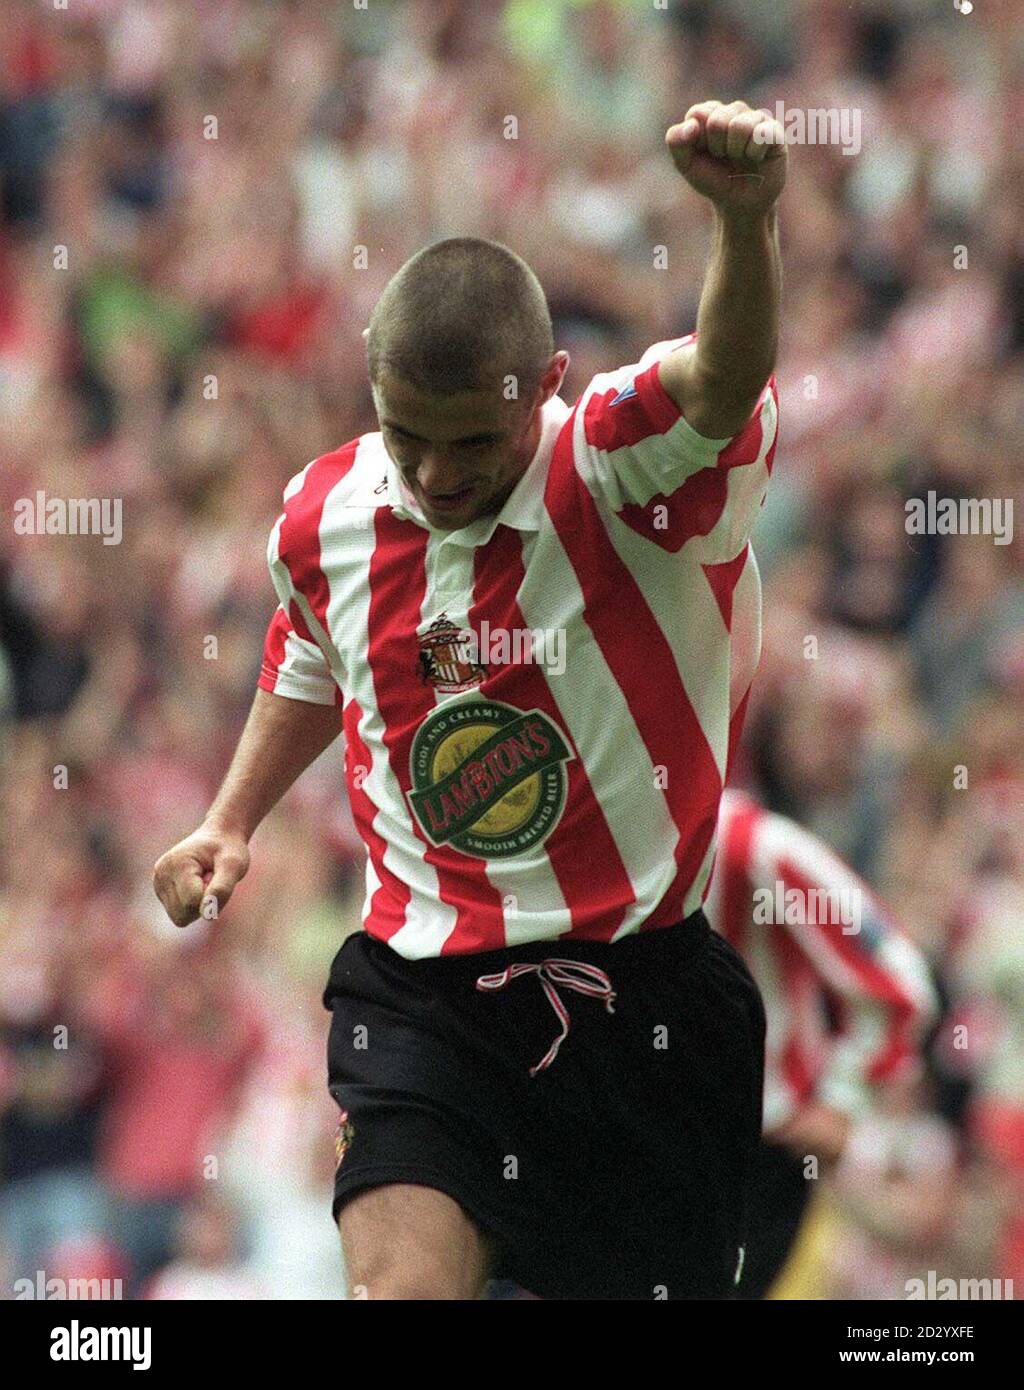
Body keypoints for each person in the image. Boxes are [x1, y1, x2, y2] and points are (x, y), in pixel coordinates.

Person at [154, 99, 786, 1300]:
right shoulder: (324, 514)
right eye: (407, 437)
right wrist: (230, 817)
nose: (437, 474)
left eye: (472, 444)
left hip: (644, 1000)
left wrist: (743, 223)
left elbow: (724, 376)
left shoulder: (618, 468)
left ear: (542, 386)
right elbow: (311, 647)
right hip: (428, 990)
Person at [705, 789, 938, 1299]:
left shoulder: (755, 845)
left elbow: (898, 979)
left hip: (760, 1156)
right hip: (637, 1146)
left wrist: (842, 1099)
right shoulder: (598, 847)